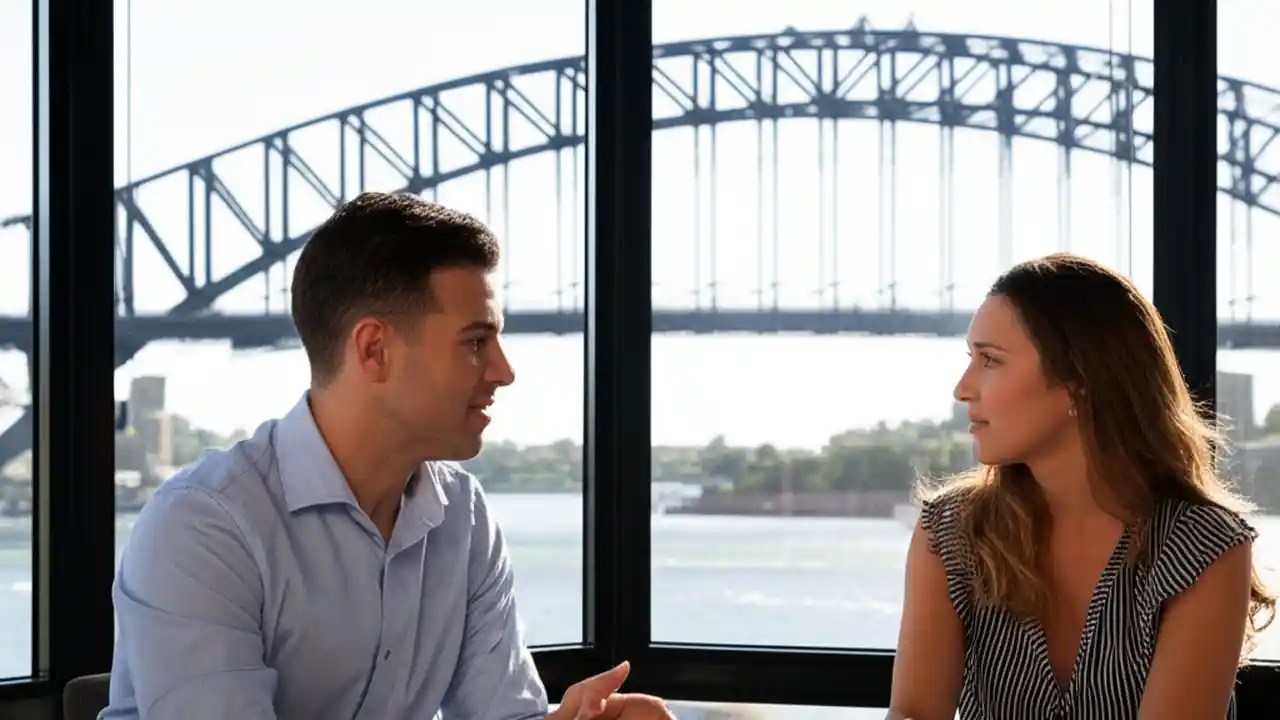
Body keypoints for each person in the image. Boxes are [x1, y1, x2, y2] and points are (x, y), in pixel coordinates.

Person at [100, 192, 674, 720]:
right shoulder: (204, 527)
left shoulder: (463, 517)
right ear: (374, 349)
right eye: (476, 342)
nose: (504, 371)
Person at [888, 253, 1276, 720]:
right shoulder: (952, 533)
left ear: (1078, 381)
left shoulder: (1203, 547)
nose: (962, 388)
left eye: (990, 359)